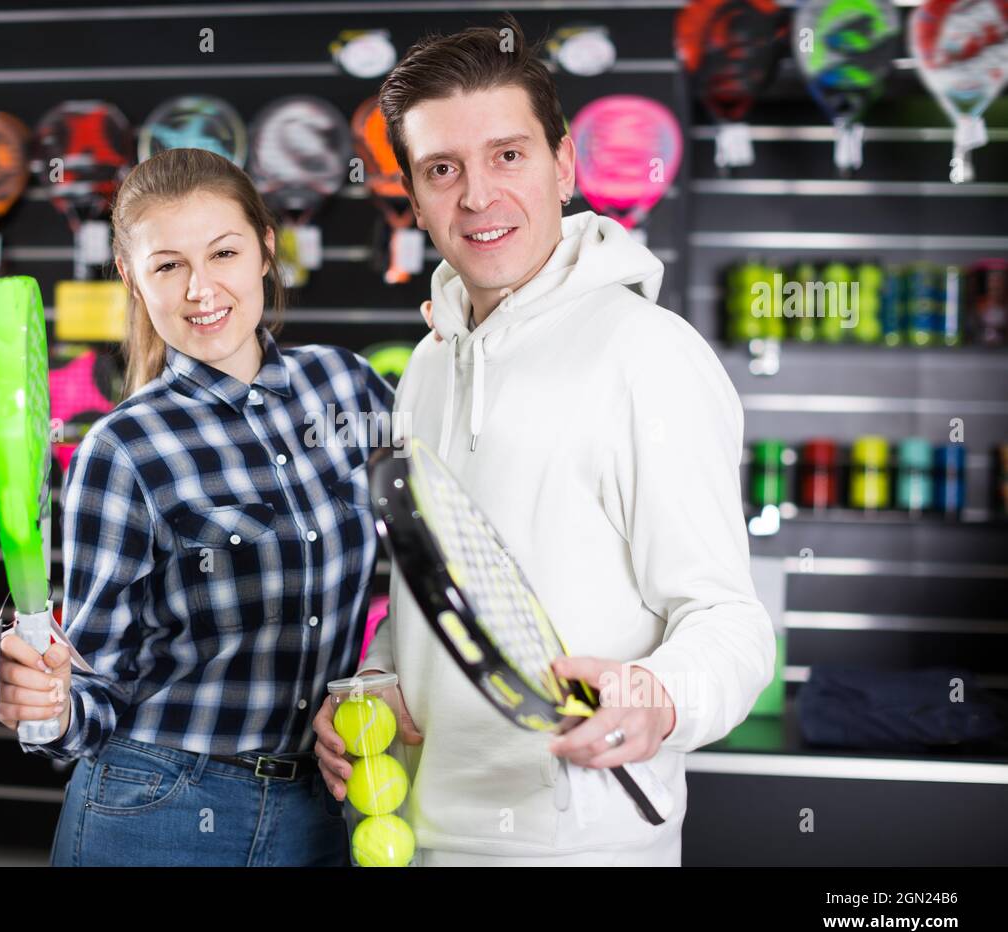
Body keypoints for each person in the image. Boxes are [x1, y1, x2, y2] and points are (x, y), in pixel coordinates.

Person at [313, 16, 775, 866]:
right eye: (442, 170)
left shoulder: (648, 354)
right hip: (413, 833)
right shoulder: (427, 363)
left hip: (577, 849)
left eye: (508, 155)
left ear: (565, 164)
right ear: (412, 196)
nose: (478, 196)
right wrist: (377, 682)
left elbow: (729, 620)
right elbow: (435, 590)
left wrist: (657, 697)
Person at [0, 148, 394, 866]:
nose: (201, 288)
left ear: (265, 250)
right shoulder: (122, 450)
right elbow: (96, 689)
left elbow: (426, 550)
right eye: (168, 265)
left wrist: (380, 678)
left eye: (223, 252)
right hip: (160, 809)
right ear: (130, 276)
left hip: (327, 803)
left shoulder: (350, 387)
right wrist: (46, 706)